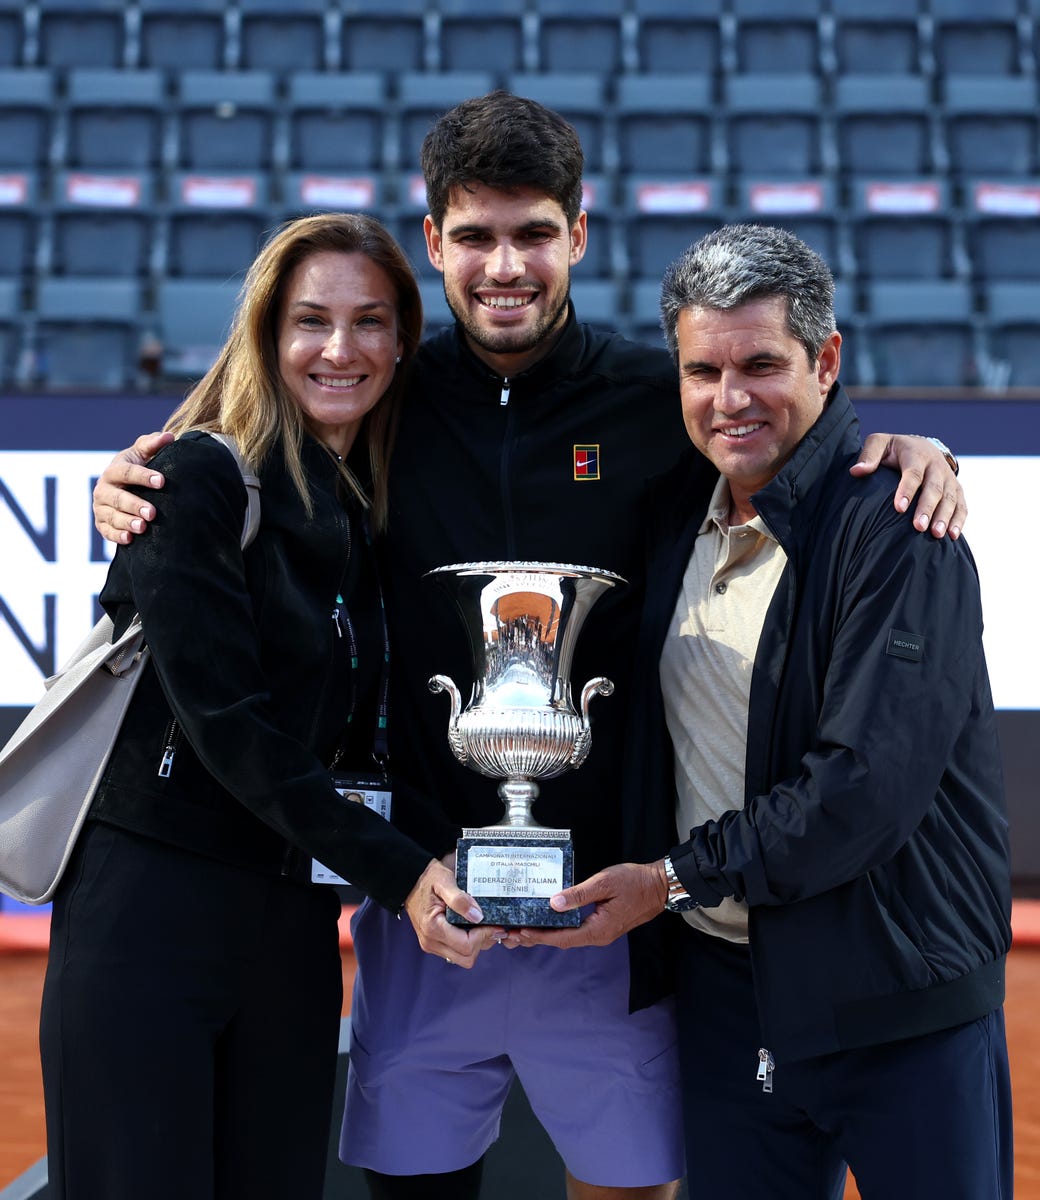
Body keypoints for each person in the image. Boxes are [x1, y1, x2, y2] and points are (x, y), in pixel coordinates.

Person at [91, 95, 967, 1200]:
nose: (505, 266)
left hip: (613, 914)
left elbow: (780, 420)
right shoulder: (377, 400)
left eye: (533, 235)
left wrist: (907, 448)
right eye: (474, 237)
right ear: (434, 244)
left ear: (578, 236)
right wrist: (133, 481)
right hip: (418, 905)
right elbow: (245, 449)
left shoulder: (665, 402)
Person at [519, 224, 1013, 1200]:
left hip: (896, 1003)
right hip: (725, 998)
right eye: (701, 370)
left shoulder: (899, 528)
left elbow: (859, 789)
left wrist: (667, 880)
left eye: (759, 364)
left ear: (823, 361)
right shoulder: (671, 517)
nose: (727, 398)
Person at [40, 213, 500, 1200]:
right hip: (150, 912)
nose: (341, 349)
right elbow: (228, 726)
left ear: (403, 340)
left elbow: (354, 753)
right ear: (264, 333)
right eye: (311, 321)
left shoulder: (363, 507)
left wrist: (482, 860)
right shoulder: (196, 475)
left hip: (290, 920)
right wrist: (408, 875)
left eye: (372, 321)